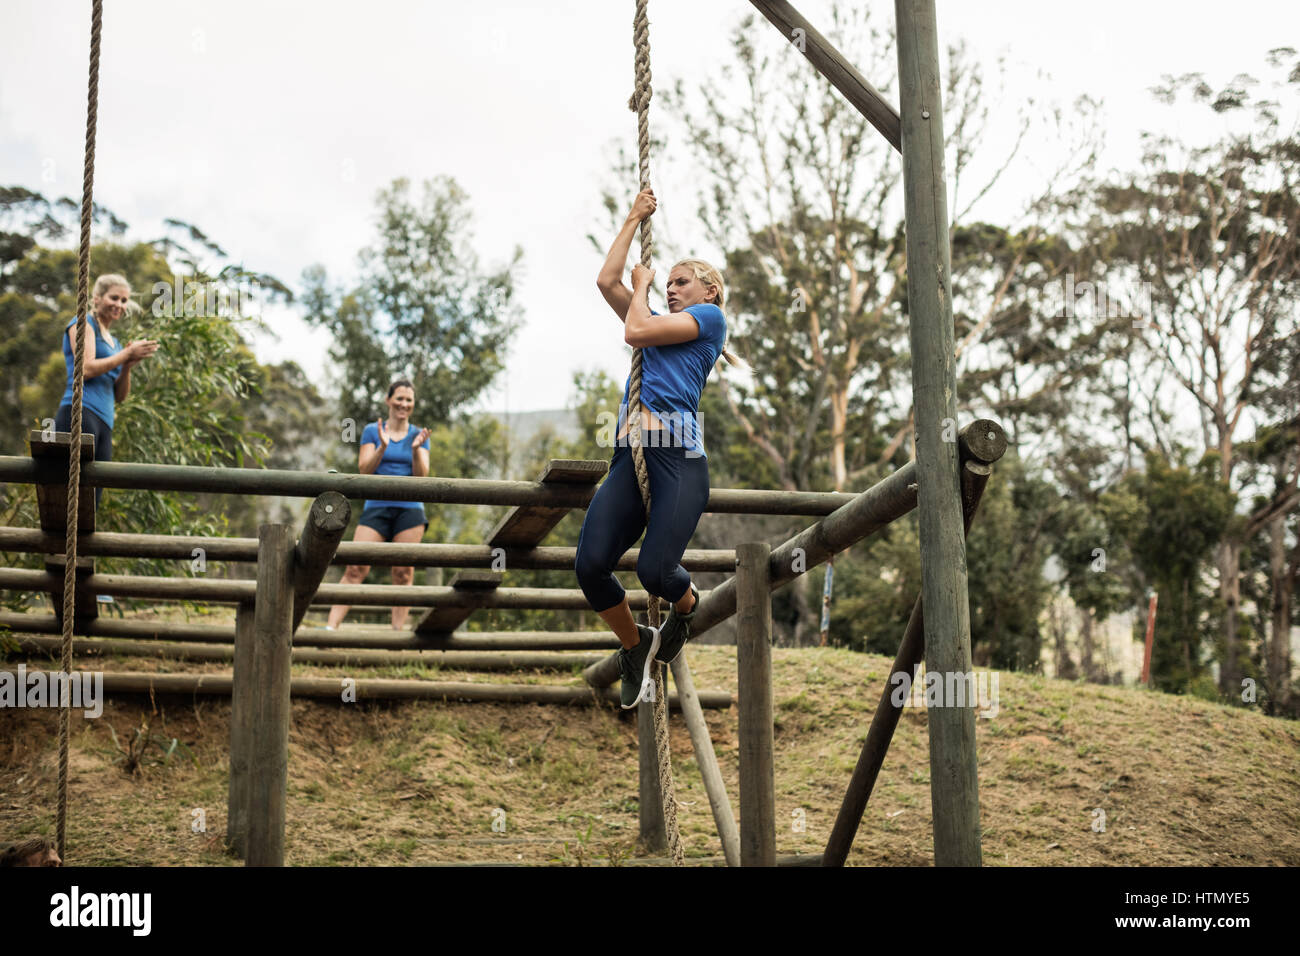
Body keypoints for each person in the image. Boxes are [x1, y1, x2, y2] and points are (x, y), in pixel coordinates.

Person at [576, 187, 742, 709]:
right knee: (590, 565)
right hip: (632, 455)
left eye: (681, 282)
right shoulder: (656, 316)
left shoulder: (709, 321)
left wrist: (643, 284)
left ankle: (687, 606)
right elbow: (606, 281)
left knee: (654, 571)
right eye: (667, 283)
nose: (671, 289)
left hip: (679, 459)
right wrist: (632, 218)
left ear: (709, 290)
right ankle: (635, 644)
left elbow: (637, 332)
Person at [326, 379, 431, 631]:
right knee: (355, 567)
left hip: (410, 509)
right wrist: (383, 446)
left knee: (402, 573)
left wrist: (416, 450)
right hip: (377, 507)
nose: (403, 404)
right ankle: (330, 629)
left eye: (408, 400)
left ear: (413, 404)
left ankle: (396, 636)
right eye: (399, 399)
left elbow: (422, 477)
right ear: (388, 401)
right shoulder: (373, 431)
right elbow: (364, 470)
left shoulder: (420, 434)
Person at [54, 274, 159, 508]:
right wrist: (125, 356)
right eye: (114, 298)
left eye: (123, 300)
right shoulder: (83, 323)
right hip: (80, 412)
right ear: (97, 298)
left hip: (104, 422)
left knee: (92, 500)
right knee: (67, 499)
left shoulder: (116, 342)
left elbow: (120, 396)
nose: (119, 305)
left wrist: (127, 367)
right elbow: (86, 368)